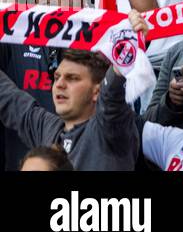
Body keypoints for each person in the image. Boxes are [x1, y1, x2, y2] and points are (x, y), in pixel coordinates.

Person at [0, 49, 138, 171]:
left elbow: (112, 97)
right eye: (56, 77)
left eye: (72, 78)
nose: (59, 84)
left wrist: (126, 50)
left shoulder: (110, 131)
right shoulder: (48, 128)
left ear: (97, 91)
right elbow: (10, 99)